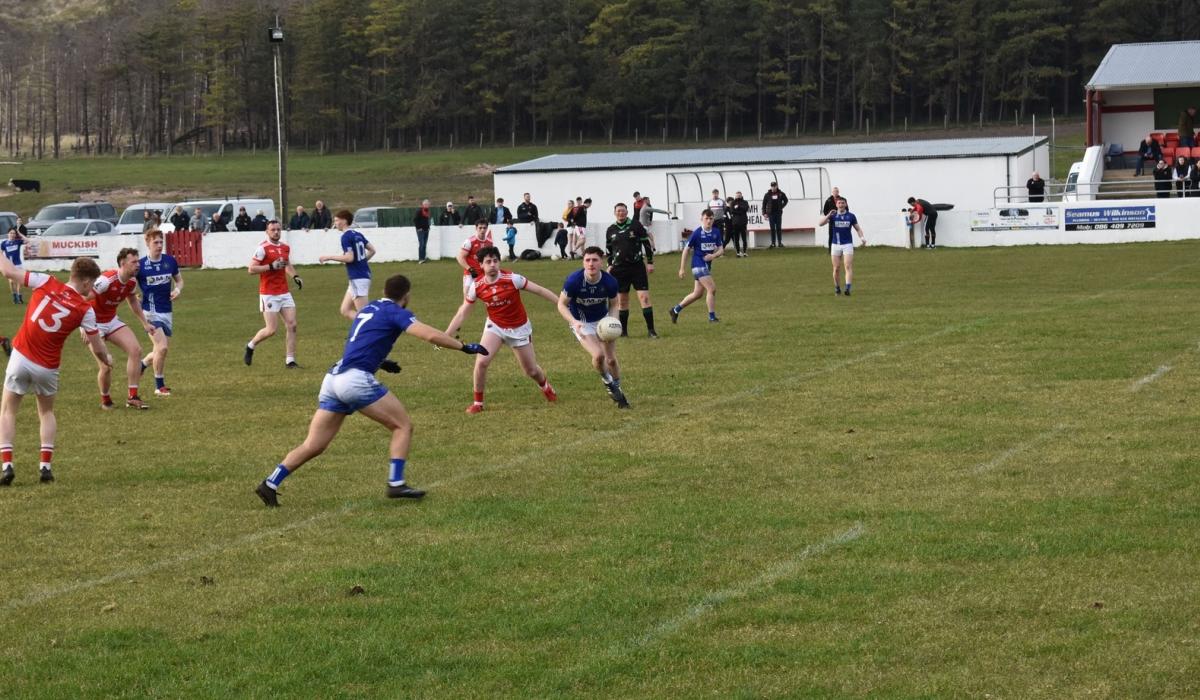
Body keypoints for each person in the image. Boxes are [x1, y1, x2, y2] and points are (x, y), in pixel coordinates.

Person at [254, 274, 488, 507]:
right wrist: (463, 346)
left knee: (314, 444)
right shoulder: (397, 312)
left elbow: (361, 341)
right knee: (402, 426)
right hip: (354, 380)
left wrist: (380, 362)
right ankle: (396, 482)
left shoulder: (368, 308)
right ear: (406, 296)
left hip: (333, 378)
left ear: (384, 292)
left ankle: (270, 483)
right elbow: (429, 335)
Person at [0, 255, 110, 486]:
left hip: (21, 357)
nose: (92, 289)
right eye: (92, 284)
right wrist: (106, 358)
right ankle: (45, 468)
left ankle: (7, 465)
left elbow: (9, 272)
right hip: (47, 367)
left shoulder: (45, 281)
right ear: (86, 282)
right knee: (46, 413)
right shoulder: (85, 309)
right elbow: (97, 346)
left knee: (8, 411)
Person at [444, 246, 560, 414]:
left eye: (495, 261)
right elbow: (463, 312)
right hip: (495, 326)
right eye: (488, 262)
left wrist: (561, 304)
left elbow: (540, 290)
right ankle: (478, 403)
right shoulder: (477, 286)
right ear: (481, 265)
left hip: (519, 328)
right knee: (481, 362)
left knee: (531, 370)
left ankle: (545, 386)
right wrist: (446, 334)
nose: (492, 264)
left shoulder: (513, 279)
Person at [557, 246, 628, 408]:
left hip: (603, 322)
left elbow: (614, 304)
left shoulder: (610, 282)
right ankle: (607, 381)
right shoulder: (574, 281)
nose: (591, 264)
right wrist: (573, 321)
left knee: (611, 360)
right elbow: (561, 304)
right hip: (582, 323)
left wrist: (613, 321)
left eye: (595, 260)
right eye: (587, 260)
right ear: (583, 262)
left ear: (601, 262)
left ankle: (617, 389)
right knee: (598, 355)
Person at [88, 248, 157, 410]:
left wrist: (145, 323)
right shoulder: (106, 280)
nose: (138, 265)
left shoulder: (131, 282)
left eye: (138, 261)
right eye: (134, 262)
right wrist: (85, 326)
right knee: (106, 366)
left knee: (136, 350)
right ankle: (106, 399)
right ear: (122, 263)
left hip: (111, 320)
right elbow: (83, 298)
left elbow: (132, 301)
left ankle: (132, 397)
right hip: (93, 323)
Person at [244, 220, 303, 369]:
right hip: (268, 293)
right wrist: (270, 266)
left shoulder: (285, 247)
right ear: (267, 232)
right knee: (271, 330)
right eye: (273, 230)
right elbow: (251, 269)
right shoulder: (262, 248)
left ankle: (290, 360)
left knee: (292, 325)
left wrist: (295, 276)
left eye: (278, 229)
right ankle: (251, 345)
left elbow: (287, 264)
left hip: (284, 292)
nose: (276, 232)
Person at [136, 229, 182, 397]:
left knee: (159, 350)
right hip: (150, 312)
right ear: (147, 243)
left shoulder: (170, 261)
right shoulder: (140, 266)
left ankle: (142, 364)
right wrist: (135, 296)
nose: (159, 245)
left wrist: (177, 290)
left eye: (161, 242)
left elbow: (179, 280)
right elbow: (129, 284)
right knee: (162, 348)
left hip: (167, 311)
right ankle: (159, 386)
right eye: (155, 242)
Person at [605, 203, 657, 338]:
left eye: (623, 211)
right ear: (615, 213)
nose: (620, 213)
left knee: (644, 298)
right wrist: (609, 264)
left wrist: (650, 262)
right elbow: (609, 251)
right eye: (618, 211)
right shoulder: (610, 230)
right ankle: (623, 332)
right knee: (622, 301)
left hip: (637, 267)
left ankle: (651, 331)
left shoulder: (636, 225)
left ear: (627, 212)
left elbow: (646, 244)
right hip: (619, 269)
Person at [669, 209, 724, 324]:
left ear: (713, 220)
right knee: (711, 288)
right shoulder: (697, 233)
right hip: (698, 264)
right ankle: (712, 318)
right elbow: (686, 250)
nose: (708, 221)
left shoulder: (716, 232)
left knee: (698, 293)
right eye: (706, 218)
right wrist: (682, 268)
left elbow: (721, 250)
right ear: (701, 219)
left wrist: (713, 256)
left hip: (706, 265)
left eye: (711, 219)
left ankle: (675, 310)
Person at [319, 209, 376, 319]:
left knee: (365, 316)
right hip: (362, 276)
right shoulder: (357, 234)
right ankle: (363, 327)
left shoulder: (345, 237)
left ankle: (377, 326)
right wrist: (361, 262)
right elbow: (372, 250)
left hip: (358, 277)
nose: (335, 223)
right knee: (345, 310)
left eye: (337, 220)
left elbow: (349, 258)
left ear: (344, 221)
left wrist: (329, 257)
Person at [817, 197, 867, 296]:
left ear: (846, 204)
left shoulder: (851, 216)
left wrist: (862, 238)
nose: (841, 205)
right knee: (836, 268)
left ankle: (848, 288)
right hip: (835, 244)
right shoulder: (833, 216)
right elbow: (820, 224)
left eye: (843, 203)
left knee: (847, 266)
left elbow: (858, 228)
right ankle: (837, 288)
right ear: (836, 205)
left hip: (847, 244)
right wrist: (828, 215)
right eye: (839, 203)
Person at [456, 220, 494, 293]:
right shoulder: (469, 241)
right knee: (467, 294)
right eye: (480, 228)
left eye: (484, 228)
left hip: (485, 273)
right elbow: (460, 257)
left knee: (489, 295)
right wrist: (470, 269)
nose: (482, 230)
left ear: (487, 228)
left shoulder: (490, 242)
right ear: (476, 228)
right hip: (471, 274)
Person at [2, 226, 26, 304]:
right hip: (10, 265)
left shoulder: (17, 242)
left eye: (14, 233)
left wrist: (19, 233)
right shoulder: (4, 243)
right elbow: (1, 253)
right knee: (11, 281)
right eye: (11, 233)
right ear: (8, 234)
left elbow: (27, 241)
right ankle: (14, 296)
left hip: (18, 264)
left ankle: (19, 296)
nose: (12, 234)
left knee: (20, 281)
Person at [762, 181, 788, 248]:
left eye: (774, 186)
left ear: (777, 186)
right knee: (772, 228)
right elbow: (764, 204)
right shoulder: (767, 194)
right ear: (771, 187)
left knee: (778, 228)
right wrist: (764, 213)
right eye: (772, 186)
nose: (773, 187)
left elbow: (786, 200)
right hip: (771, 214)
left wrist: (781, 206)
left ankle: (779, 242)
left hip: (778, 213)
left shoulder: (781, 193)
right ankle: (773, 243)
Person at [821, 187, 845, 251]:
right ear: (832, 192)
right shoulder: (828, 200)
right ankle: (830, 250)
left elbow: (847, 209)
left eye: (837, 191)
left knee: (842, 233)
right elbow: (825, 211)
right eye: (834, 191)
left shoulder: (842, 200)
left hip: (841, 220)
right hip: (832, 220)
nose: (835, 193)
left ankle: (843, 248)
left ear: (838, 192)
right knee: (831, 234)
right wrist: (828, 217)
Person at [728, 191, 749, 257]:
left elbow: (746, 209)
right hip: (735, 223)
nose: (738, 196)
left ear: (741, 195)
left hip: (743, 222)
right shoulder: (733, 202)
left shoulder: (745, 202)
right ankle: (738, 253)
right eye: (737, 195)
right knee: (736, 239)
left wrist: (739, 207)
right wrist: (740, 211)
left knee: (744, 238)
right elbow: (732, 211)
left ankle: (745, 252)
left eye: (739, 195)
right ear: (735, 196)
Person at [413, 199, 432, 264]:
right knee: (422, 244)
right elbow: (415, 220)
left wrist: (428, 227)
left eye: (428, 204)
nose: (428, 205)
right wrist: (418, 228)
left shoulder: (427, 211)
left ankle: (423, 258)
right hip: (420, 230)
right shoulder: (419, 211)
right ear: (423, 204)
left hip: (426, 230)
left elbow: (427, 220)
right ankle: (420, 259)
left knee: (424, 245)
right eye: (426, 204)